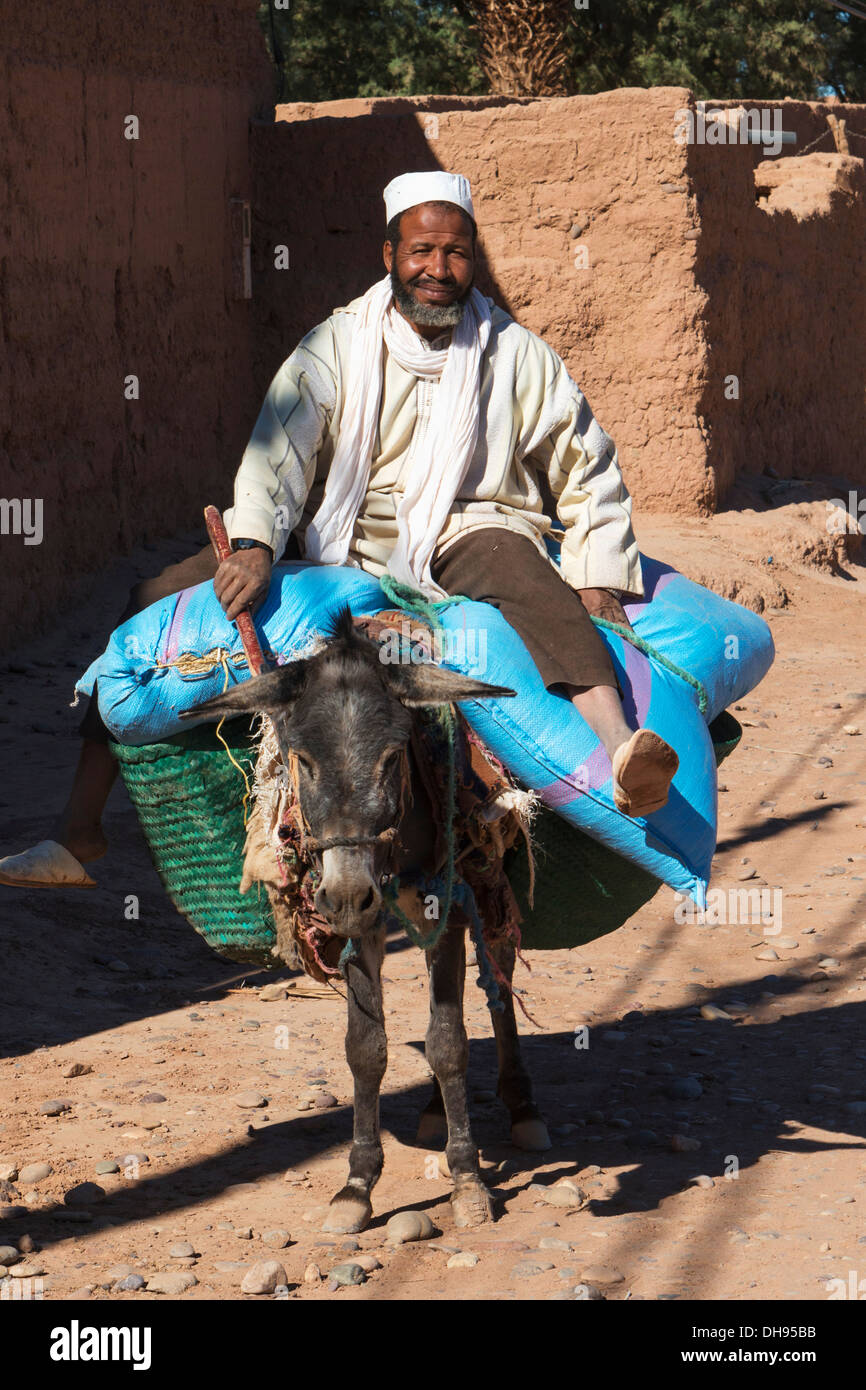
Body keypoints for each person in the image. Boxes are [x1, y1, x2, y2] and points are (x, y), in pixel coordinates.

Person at [0, 170, 677, 889]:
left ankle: (620, 748)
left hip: (468, 525)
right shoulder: (337, 343)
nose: (438, 270)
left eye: (455, 253)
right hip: (336, 525)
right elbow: (278, 451)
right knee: (155, 596)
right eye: (421, 250)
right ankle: (78, 834)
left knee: (535, 586)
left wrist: (599, 572)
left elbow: (588, 464)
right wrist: (257, 543)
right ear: (389, 255)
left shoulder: (516, 355)